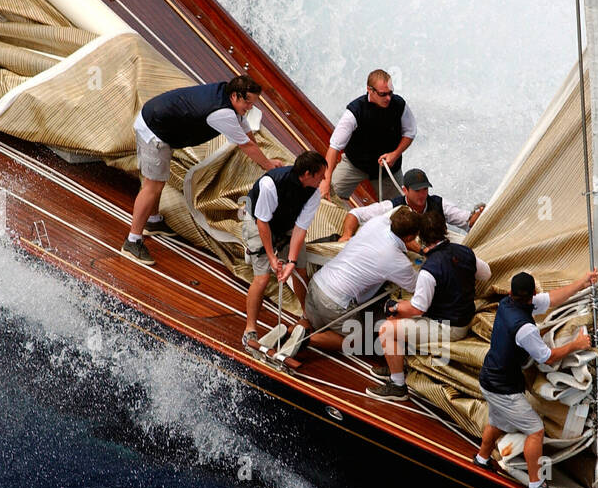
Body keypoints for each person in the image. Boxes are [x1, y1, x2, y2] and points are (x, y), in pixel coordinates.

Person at [121, 75, 285, 266]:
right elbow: (246, 145)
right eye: (248, 102)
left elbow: (246, 131)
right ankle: (132, 241)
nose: (250, 107)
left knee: (159, 181)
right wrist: (268, 165)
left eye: (253, 103)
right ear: (234, 96)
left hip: (163, 126)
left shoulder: (228, 98)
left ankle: (153, 220)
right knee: (152, 186)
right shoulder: (222, 113)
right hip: (154, 130)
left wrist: (267, 161)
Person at [473, 269, 598, 488]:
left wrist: (582, 282)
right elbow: (548, 357)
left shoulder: (506, 304)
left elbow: (553, 299)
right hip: (503, 387)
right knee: (535, 430)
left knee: (498, 420)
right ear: (532, 294)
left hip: (489, 378)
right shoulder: (525, 328)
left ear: (511, 292)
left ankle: (481, 460)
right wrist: (577, 344)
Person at [366, 212, 491, 400]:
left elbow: (417, 309)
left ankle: (398, 385)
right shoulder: (464, 251)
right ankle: (398, 366)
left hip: (448, 328)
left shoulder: (429, 270)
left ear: (420, 237)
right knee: (398, 317)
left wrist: (394, 305)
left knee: (387, 328)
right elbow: (486, 274)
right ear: (444, 230)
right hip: (463, 317)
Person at [302, 207, 423, 354]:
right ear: (411, 237)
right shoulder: (398, 263)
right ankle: (305, 340)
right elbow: (416, 286)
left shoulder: (377, 222)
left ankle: (291, 332)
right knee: (355, 342)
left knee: (310, 322)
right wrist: (423, 253)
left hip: (316, 284)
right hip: (336, 302)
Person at [242, 150, 328, 347]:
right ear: (307, 174)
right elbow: (263, 222)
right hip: (259, 221)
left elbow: (300, 229)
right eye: (321, 176)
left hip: (288, 224)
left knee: (299, 271)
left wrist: (290, 261)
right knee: (262, 277)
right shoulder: (271, 184)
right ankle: (250, 329)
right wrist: (272, 257)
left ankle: (308, 317)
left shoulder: (313, 193)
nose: (324, 180)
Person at [319, 69, 416, 203]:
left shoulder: (399, 105)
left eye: (390, 93)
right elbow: (334, 147)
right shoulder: (355, 111)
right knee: (327, 195)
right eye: (383, 94)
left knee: (399, 210)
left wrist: (395, 154)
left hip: (388, 168)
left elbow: (410, 133)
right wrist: (326, 180)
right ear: (370, 90)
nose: (388, 98)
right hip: (355, 164)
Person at [338, 168, 484, 242]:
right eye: (417, 190)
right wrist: (346, 236)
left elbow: (468, 222)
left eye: (425, 189)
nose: (422, 194)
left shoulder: (440, 203)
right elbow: (355, 214)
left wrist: (481, 215)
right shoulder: (392, 207)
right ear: (405, 190)